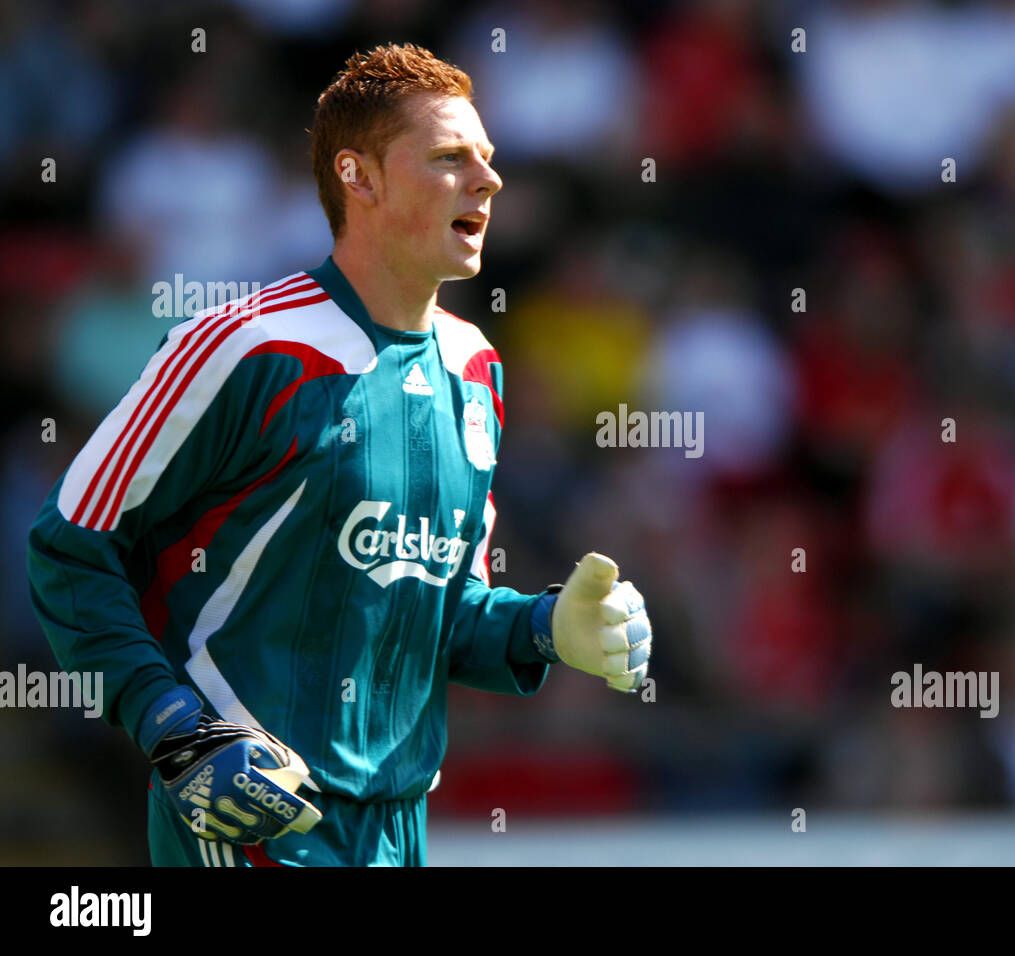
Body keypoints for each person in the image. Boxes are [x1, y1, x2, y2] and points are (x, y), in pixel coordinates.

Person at [26, 42, 652, 867]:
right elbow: (69, 546)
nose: (488, 181)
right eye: (448, 159)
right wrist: (172, 725)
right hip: (249, 824)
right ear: (359, 178)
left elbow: (434, 606)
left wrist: (542, 627)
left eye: (489, 161)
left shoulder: (476, 369)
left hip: (399, 833)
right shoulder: (243, 348)